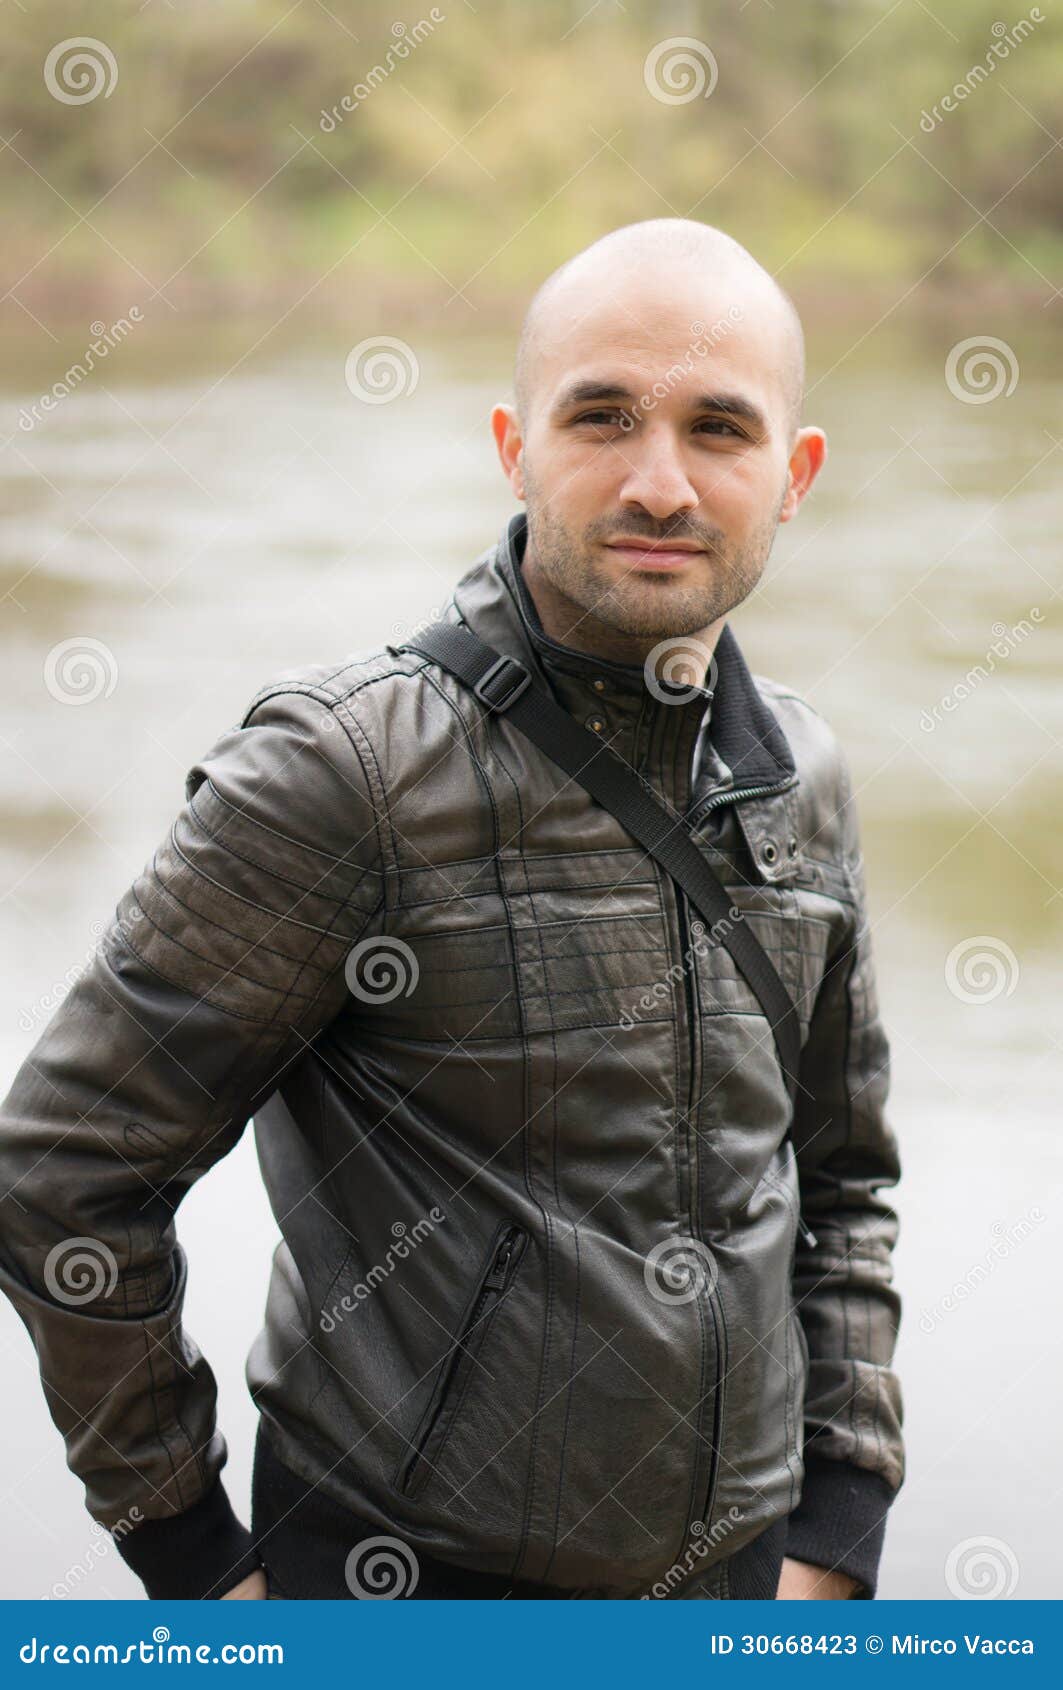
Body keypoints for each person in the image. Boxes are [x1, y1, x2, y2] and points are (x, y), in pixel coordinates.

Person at [0, 218, 902, 1601]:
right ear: (513, 445)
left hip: (743, 1595)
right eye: (602, 414)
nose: (660, 480)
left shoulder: (805, 777)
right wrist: (194, 1561)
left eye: (720, 428)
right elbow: (61, 1171)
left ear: (795, 475)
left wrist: (838, 1527)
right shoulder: (341, 773)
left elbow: (841, 1177)